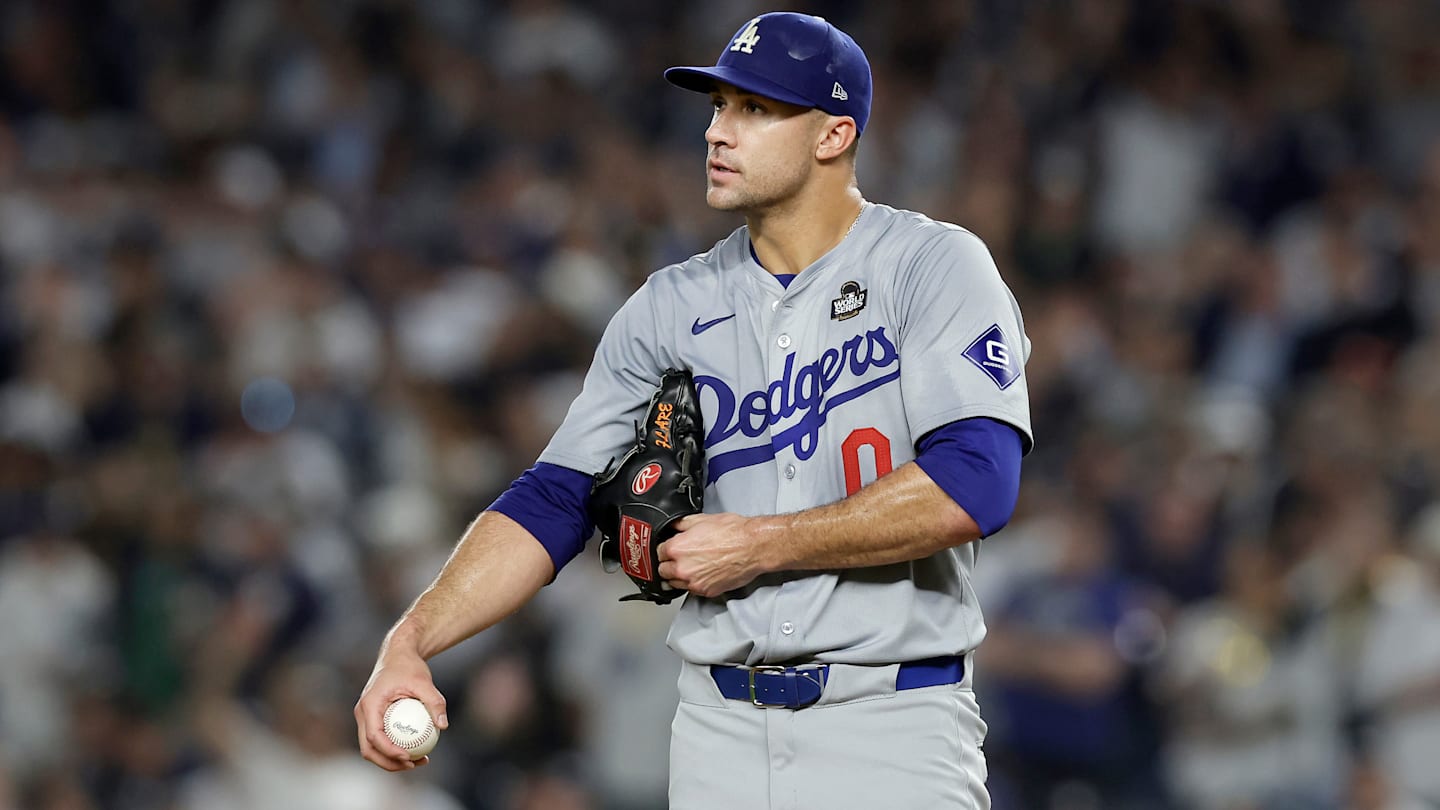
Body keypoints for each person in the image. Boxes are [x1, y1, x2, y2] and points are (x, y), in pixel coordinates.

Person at [356, 12, 1033, 809]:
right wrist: (411, 639)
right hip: (718, 734)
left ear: (833, 135)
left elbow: (977, 483)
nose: (719, 131)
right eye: (717, 106)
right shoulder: (668, 308)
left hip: (890, 721)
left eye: (755, 109)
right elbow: (551, 500)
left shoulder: (929, 265)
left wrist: (759, 545)